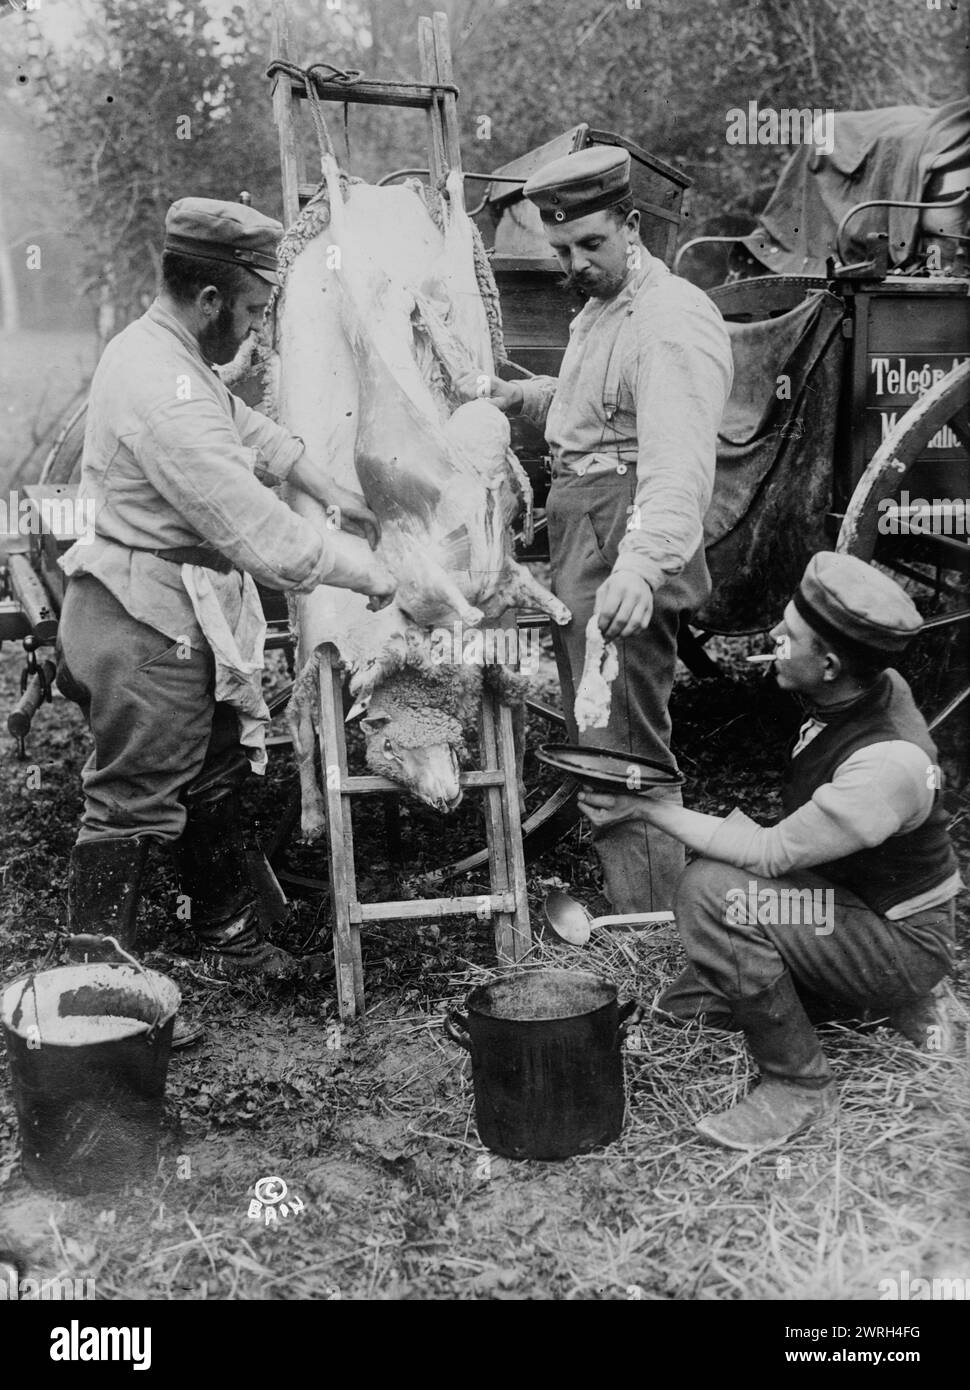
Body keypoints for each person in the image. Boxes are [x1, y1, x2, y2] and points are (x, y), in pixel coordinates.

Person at [55, 198, 396, 1032]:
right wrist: (377, 575)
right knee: (133, 800)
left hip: (173, 607)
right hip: (140, 623)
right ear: (208, 301)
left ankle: (226, 929)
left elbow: (243, 424)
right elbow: (263, 537)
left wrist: (326, 485)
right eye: (247, 312)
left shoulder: (170, 357)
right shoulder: (157, 384)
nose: (250, 330)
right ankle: (98, 994)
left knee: (212, 764)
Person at [578, 552, 962, 1151]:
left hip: (900, 938)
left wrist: (647, 809)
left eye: (789, 636)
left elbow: (770, 854)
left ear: (830, 665)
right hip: (848, 900)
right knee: (688, 1008)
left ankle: (802, 1082)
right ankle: (864, 999)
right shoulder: (865, 686)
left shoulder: (887, 765)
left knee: (711, 893)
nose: (773, 638)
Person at [458, 145, 733, 912]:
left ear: (634, 223)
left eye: (591, 245)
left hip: (628, 532)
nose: (575, 263)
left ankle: (655, 934)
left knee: (624, 748)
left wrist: (642, 567)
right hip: (591, 527)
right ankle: (645, 906)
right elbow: (605, 407)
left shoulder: (669, 321)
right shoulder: (605, 306)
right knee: (599, 728)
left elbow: (676, 466)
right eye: (561, 250)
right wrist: (533, 400)